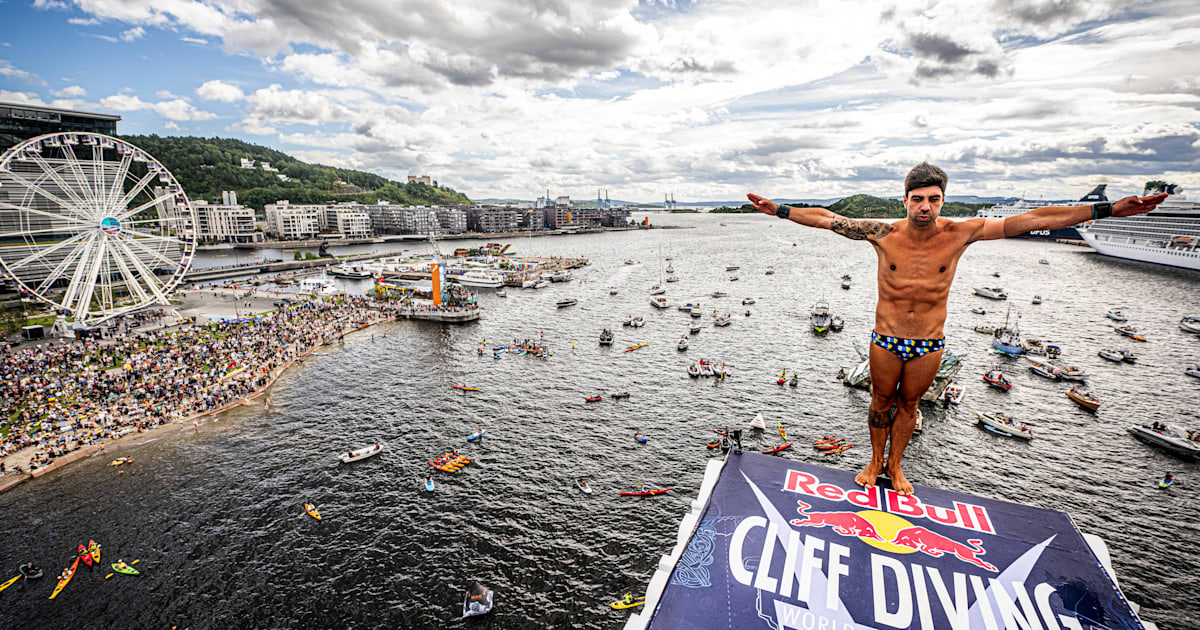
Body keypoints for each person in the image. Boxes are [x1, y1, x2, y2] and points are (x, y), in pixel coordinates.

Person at [748, 163, 1167, 495]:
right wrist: (780, 210)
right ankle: (875, 461)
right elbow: (827, 218)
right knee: (879, 402)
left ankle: (896, 466)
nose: (925, 207)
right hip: (885, 338)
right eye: (917, 199)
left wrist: (1107, 209)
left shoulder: (962, 233)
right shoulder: (883, 233)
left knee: (910, 405)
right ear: (906, 200)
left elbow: (1035, 218)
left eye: (933, 199)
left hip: (929, 342)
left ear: (943, 200)